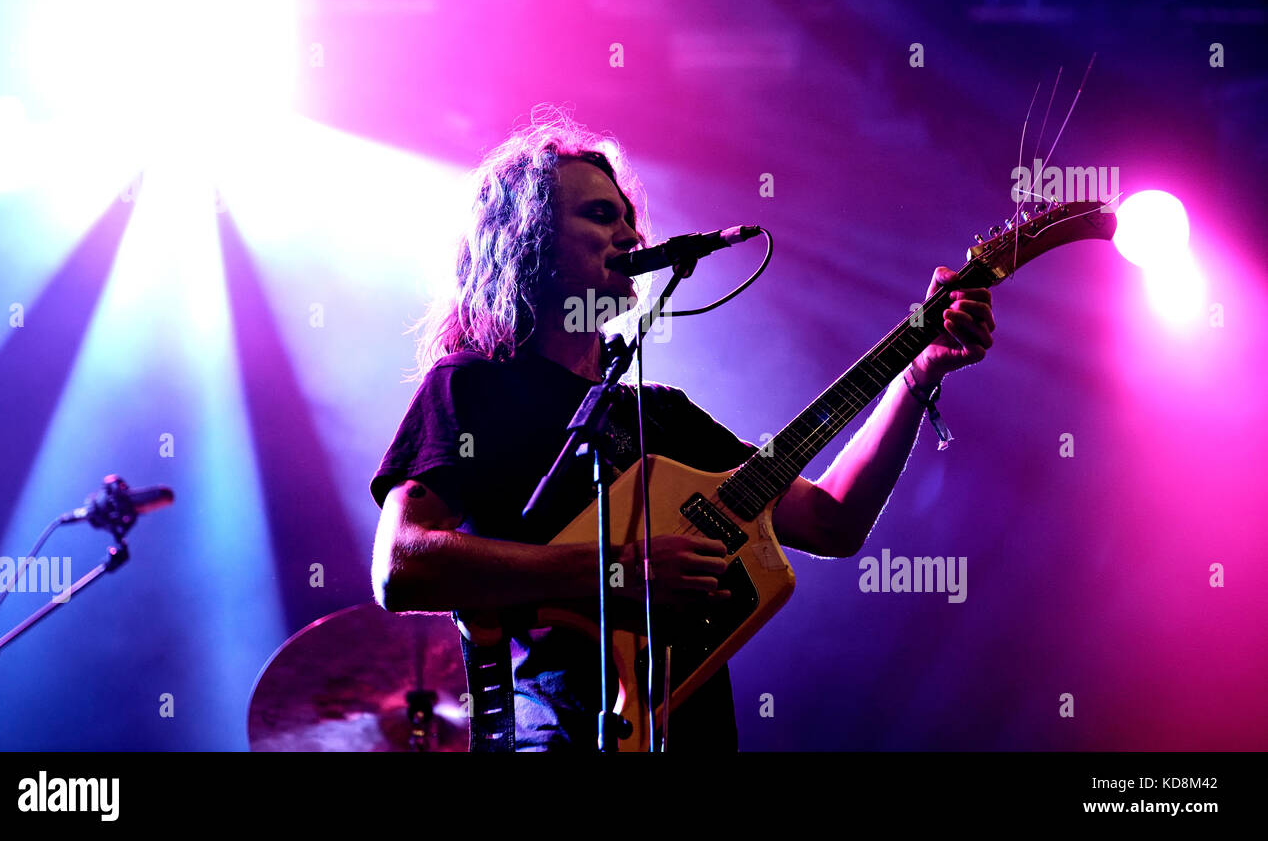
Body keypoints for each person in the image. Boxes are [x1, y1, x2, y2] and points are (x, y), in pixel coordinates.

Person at [369, 106, 995, 751]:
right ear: (526, 236)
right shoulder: (474, 385)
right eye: (600, 216)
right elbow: (401, 565)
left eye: (629, 217)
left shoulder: (661, 415)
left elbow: (831, 520)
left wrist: (915, 377)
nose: (632, 237)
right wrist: (617, 574)